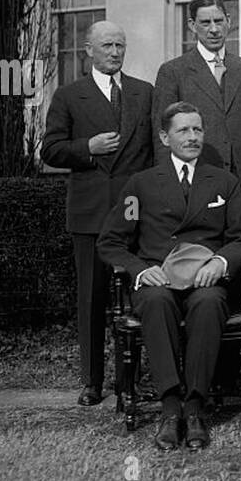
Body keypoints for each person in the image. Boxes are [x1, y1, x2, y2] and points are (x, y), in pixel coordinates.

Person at [97, 102, 241, 450]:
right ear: (165, 137)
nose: (193, 137)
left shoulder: (224, 182)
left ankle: (195, 408)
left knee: (210, 303)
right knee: (154, 302)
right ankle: (171, 409)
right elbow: (110, 242)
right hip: (159, 278)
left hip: (205, 279)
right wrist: (140, 270)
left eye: (198, 129)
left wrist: (220, 263)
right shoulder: (141, 185)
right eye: (184, 130)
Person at [41, 20, 154, 407]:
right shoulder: (70, 96)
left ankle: (131, 380)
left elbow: (154, 155)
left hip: (134, 213)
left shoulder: (144, 92)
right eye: (106, 45)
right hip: (90, 215)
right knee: (91, 299)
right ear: (89, 49)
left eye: (120, 45)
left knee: (139, 296)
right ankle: (92, 381)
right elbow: (50, 151)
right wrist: (86, 147)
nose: (115, 52)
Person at [153, 0, 241, 204]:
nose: (213, 29)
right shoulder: (173, 72)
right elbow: (162, 137)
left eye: (218, 21)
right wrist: (170, 186)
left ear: (228, 22)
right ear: (192, 26)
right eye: (205, 23)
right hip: (196, 184)